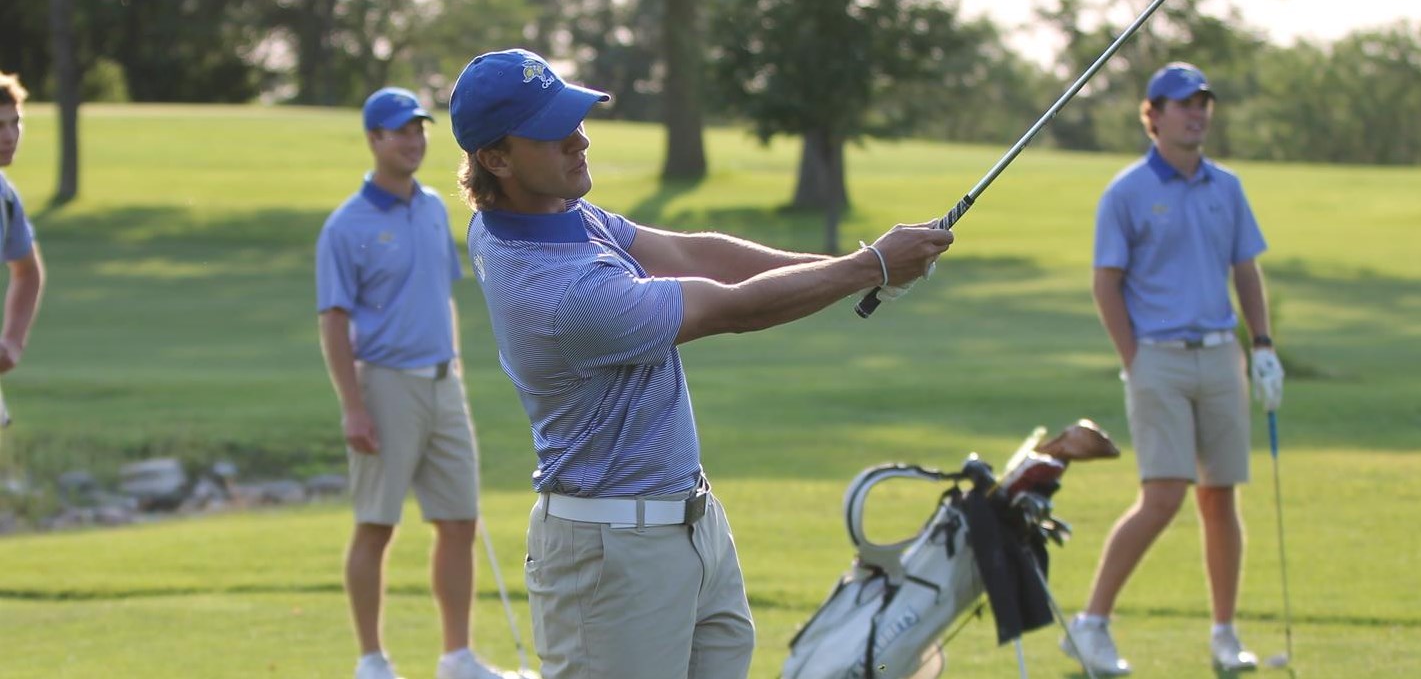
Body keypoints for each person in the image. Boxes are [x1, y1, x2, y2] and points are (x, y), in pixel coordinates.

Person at [447, 48, 954, 679]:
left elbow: (694, 254)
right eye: (553, 132)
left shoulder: (552, 215)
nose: (579, 139)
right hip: (612, 559)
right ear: (496, 159)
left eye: (574, 119)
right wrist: (867, 268)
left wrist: (851, 269)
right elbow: (734, 309)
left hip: (689, 526)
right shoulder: (562, 294)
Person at [1061, 62, 1285, 675]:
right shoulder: (1126, 192)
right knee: (1163, 496)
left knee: (1220, 499)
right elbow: (1106, 285)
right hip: (1156, 357)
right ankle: (1091, 625)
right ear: (1153, 115)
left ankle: (1223, 634)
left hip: (1220, 356)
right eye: (1184, 104)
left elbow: (1245, 269)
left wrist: (1262, 345)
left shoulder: (1226, 187)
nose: (1197, 113)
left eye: (1204, 103)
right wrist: (1134, 361)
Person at [316, 87, 518, 679]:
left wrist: (453, 367)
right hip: (383, 384)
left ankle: (456, 658)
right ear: (374, 139)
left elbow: (441, 298)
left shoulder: (434, 207)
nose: (413, 140)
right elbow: (333, 320)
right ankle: (371, 660)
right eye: (400, 131)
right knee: (377, 524)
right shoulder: (345, 225)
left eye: (420, 129)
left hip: (442, 381)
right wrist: (352, 408)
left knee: (459, 521)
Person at [0, 72, 45, 429]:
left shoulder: (5, 197)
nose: (9, 136)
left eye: (15, 123)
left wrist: (12, 343)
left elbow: (28, 272)